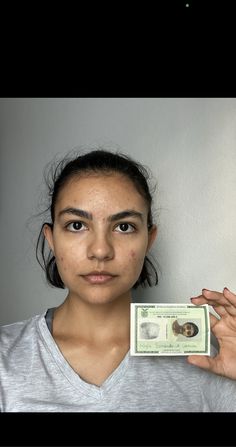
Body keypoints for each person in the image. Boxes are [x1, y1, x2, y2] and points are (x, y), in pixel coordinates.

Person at [1, 148, 236, 412]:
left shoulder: (206, 361)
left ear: (149, 239)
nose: (100, 250)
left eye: (124, 226)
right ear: (51, 239)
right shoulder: (4, 359)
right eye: (77, 225)